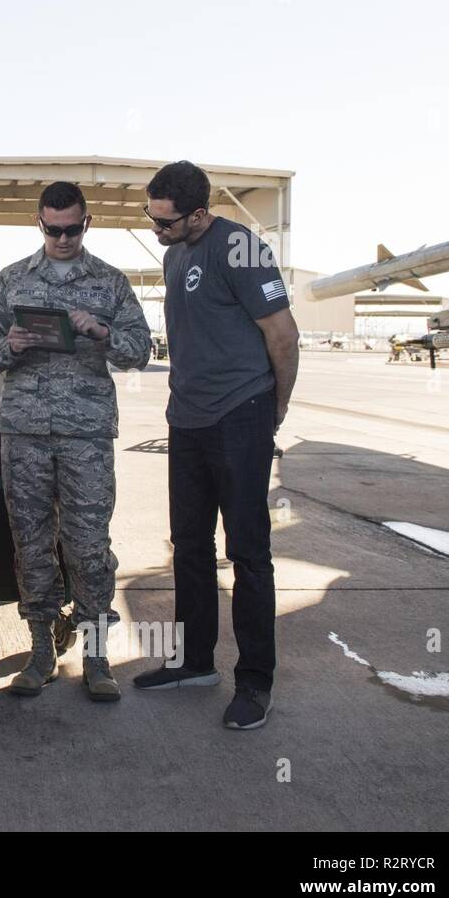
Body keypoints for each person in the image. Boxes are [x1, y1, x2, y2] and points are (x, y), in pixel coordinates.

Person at [132, 160, 299, 731]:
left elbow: (283, 334)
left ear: (199, 213)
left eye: (166, 223)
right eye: (151, 220)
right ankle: (194, 662)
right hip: (188, 420)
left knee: (248, 552)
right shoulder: (176, 253)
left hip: (241, 414)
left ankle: (255, 681)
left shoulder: (242, 250)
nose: (158, 232)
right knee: (190, 546)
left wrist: (273, 409)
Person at [0, 181, 151, 700]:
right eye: (55, 230)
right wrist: (9, 344)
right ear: (40, 223)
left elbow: (141, 350)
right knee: (31, 544)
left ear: (87, 223)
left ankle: (96, 657)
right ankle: (42, 650)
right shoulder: (10, 282)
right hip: (25, 431)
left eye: (73, 228)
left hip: (87, 435)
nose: (64, 237)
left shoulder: (110, 283)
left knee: (89, 547)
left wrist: (102, 332)